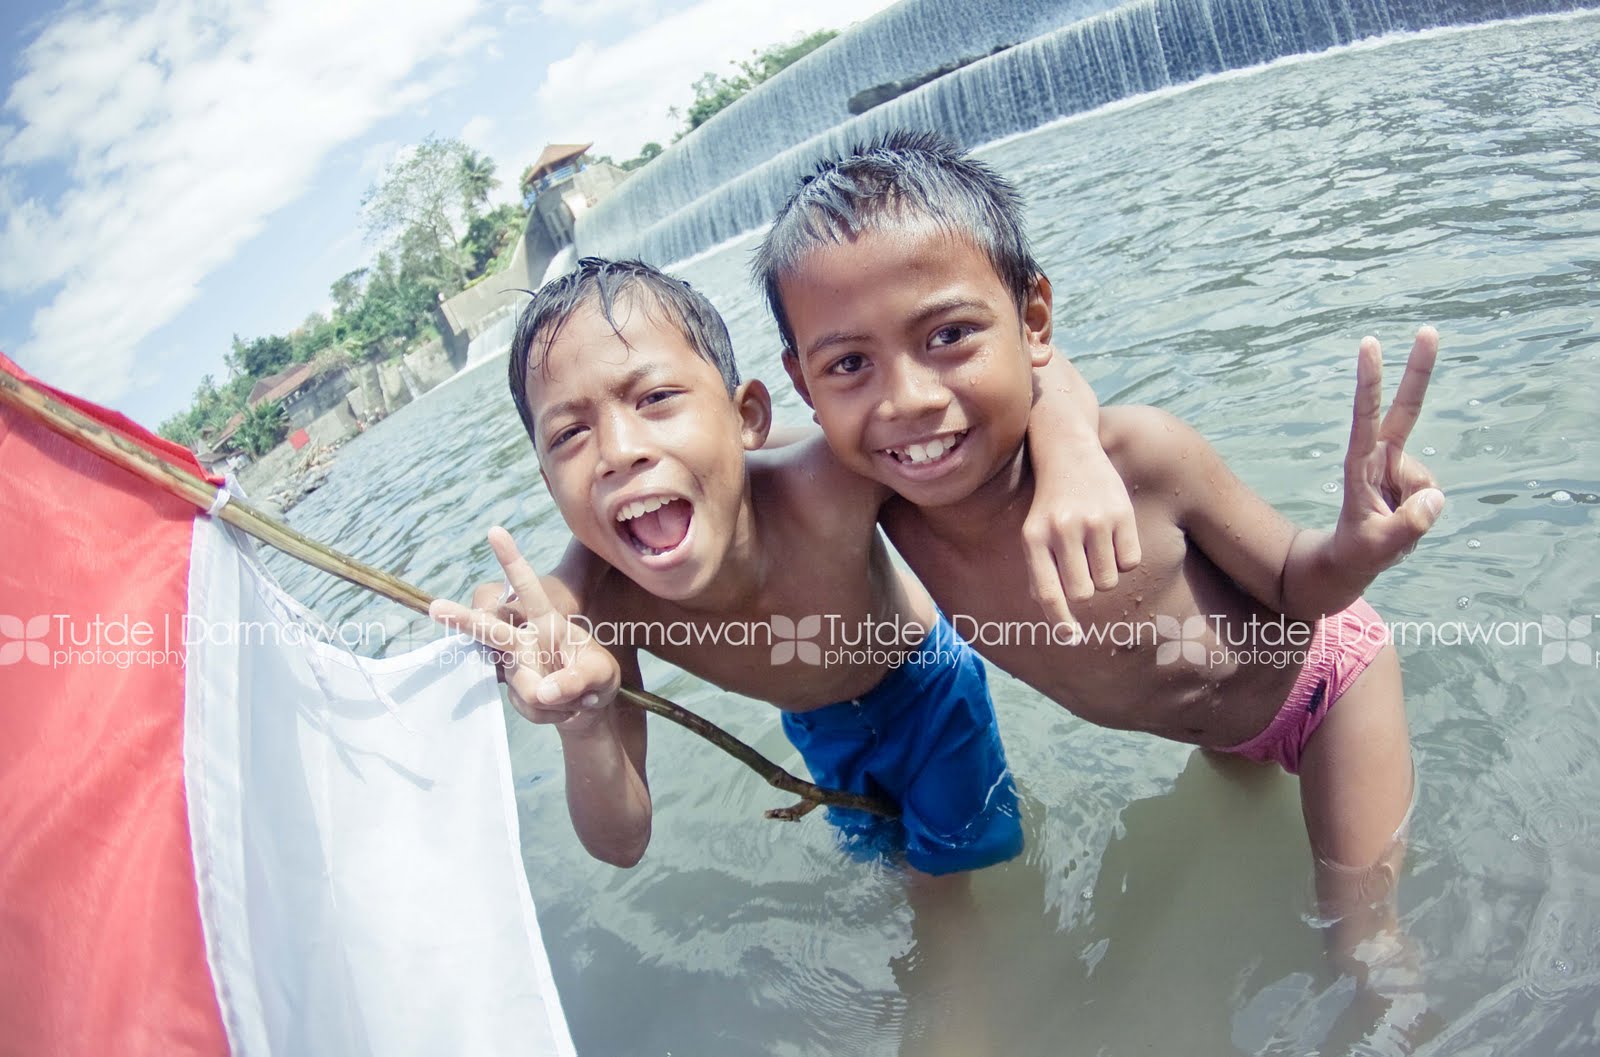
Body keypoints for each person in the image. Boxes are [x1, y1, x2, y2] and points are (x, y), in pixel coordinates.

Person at [755, 131, 1443, 1005]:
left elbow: (1293, 585)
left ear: (1033, 321)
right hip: (1221, 729)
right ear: (803, 383)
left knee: (1361, 943)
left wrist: (1352, 547)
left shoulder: (1142, 456)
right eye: (849, 363)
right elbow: (721, 473)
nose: (908, 399)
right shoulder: (872, 489)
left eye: (950, 335)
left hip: (1328, 689)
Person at [430, 258, 1136, 1053]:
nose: (619, 450)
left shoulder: (827, 481)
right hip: (818, 731)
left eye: (656, 397)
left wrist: (1074, 450)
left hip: (928, 691)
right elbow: (622, 841)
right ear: (548, 480)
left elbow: (1029, 375)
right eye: (569, 432)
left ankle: (968, 1026)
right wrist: (582, 719)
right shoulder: (597, 610)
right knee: (886, 864)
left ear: (748, 416)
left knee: (945, 897)